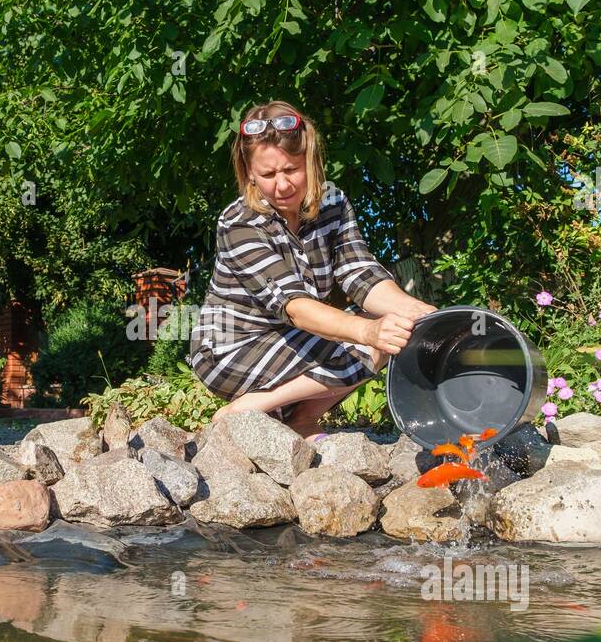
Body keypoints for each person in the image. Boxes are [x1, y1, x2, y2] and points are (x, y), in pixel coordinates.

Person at [187, 100, 437, 440]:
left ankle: (300, 421)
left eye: (291, 170)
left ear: (311, 160)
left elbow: (360, 273)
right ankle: (249, 409)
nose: (282, 185)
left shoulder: (333, 203)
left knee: (394, 333)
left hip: (291, 339)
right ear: (248, 173)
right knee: (367, 339)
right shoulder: (239, 223)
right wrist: (367, 332)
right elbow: (295, 306)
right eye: (268, 175)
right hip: (230, 347)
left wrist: (421, 315)